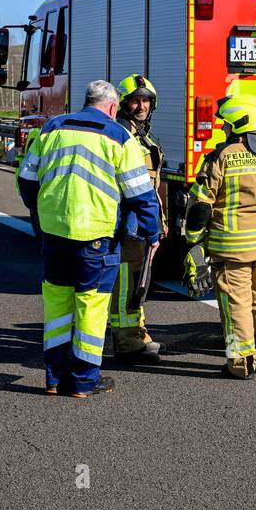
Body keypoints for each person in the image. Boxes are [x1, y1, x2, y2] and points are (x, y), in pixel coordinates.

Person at [17, 80, 162, 398]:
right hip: (96, 236)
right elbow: (141, 194)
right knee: (91, 308)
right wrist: (153, 232)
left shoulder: (52, 128)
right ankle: (83, 381)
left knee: (57, 307)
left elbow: (26, 179)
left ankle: (54, 379)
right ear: (113, 107)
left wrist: (40, 212)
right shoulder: (119, 136)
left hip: (55, 234)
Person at [185, 95, 256, 379]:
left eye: (227, 124)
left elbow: (200, 206)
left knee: (237, 302)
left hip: (232, 248)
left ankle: (242, 362)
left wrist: (193, 239)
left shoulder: (221, 157)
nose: (223, 129)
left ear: (239, 124)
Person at [108, 74, 165, 363]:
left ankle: (137, 332)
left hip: (140, 220)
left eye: (145, 101)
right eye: (135, 101)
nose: (141, 106)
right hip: (128, 222)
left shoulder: (141, 133)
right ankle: (125, 340)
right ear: (123, 104)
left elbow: (152, 184)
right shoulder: (123, 133)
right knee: (125, 282)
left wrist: (159, 220)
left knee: (138, 279)